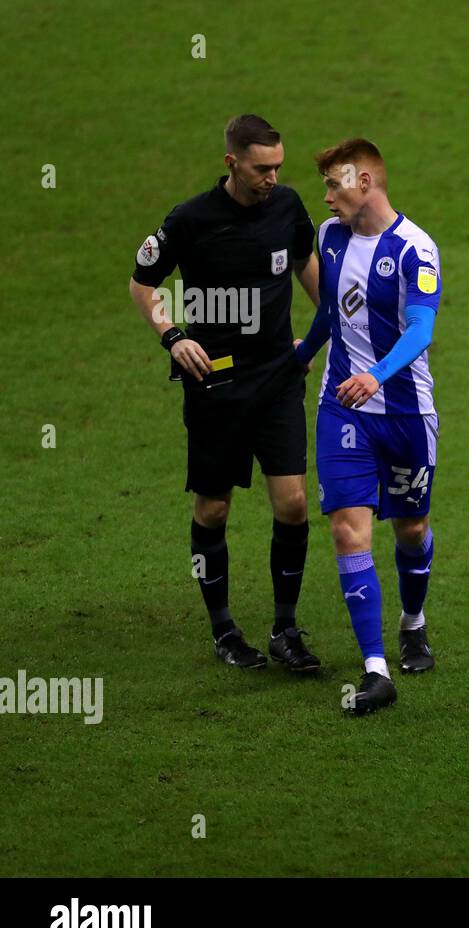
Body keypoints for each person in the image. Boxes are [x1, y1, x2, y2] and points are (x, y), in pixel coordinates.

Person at [128, 114, 322, 671]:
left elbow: (310, 272)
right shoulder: (190, 219)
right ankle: (224, 631)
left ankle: (286, 628)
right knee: (213, 511)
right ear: (232, 163)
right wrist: (172, 337)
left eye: (279, 166)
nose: (273, 178)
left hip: (279, 376)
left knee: (293, 503)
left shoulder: (287, 207)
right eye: (263, 168)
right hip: (216, 381)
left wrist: (322, 334)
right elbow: (142, 284)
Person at [293, 138, 442, 715]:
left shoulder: (415, 248)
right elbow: (333, 308)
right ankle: (375, 669)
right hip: (343, 411)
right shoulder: (329, 239)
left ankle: (413, 622)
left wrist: (378, 375)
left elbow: (421, 329)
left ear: (366, 183)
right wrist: (305, 351)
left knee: (410, 528)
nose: (327, 197)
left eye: (334, 184)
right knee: (348, 531)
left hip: (405, 414)